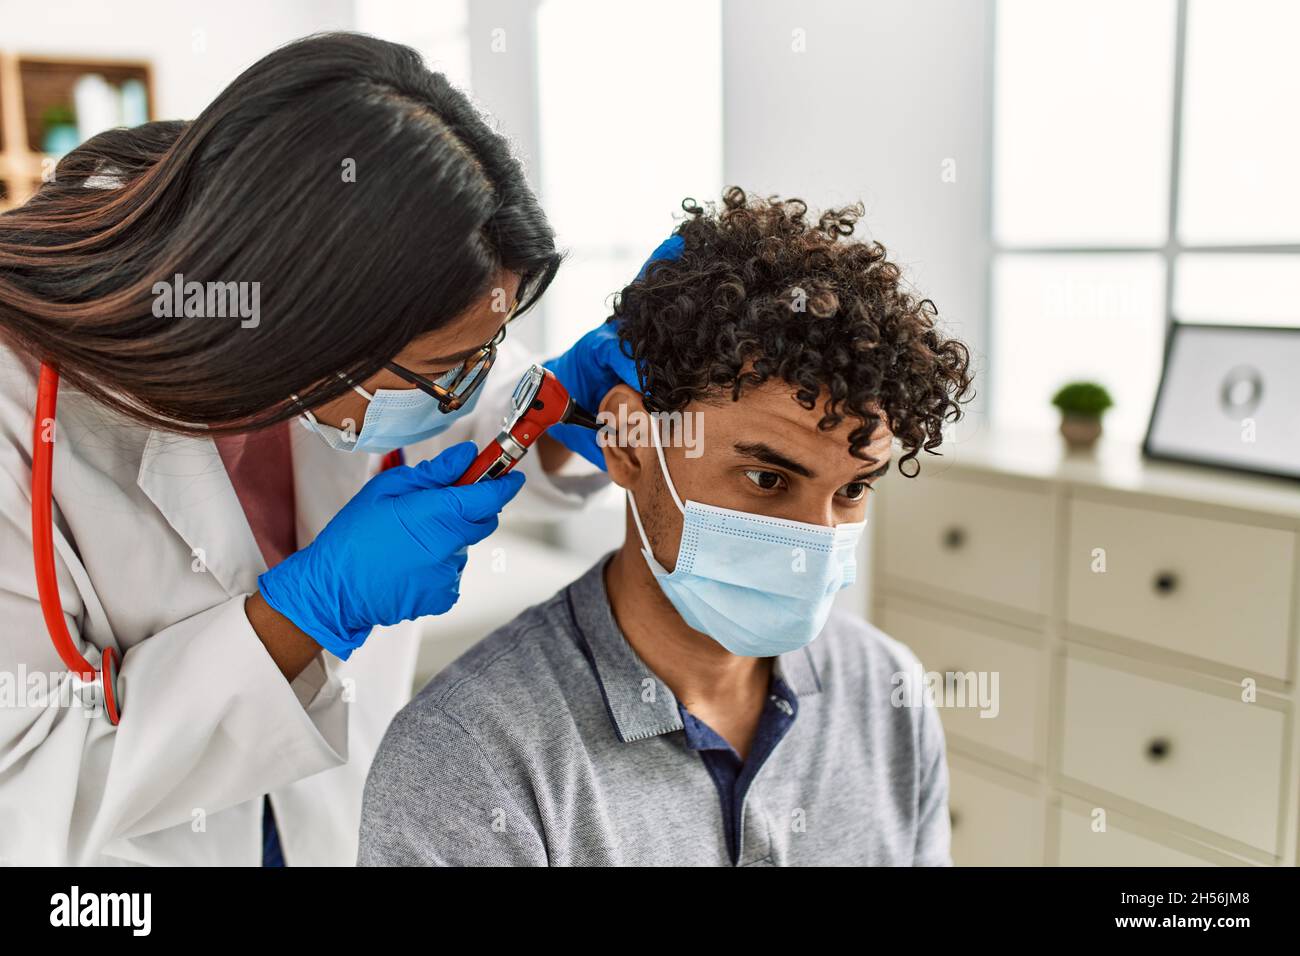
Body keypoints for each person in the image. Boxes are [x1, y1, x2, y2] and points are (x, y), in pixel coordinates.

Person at [0, 33, 640, 865]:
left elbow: (485, 417)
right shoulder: (25, 412)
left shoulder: (357, 296)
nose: (475, 387)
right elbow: (31, 788)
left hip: (330, 823)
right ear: (309, 330)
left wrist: (565, 416)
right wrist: (304, 615)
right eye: (452, 369)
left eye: (492, 348)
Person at [359, 188, 975, 866]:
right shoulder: (470, 761)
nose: (814, 544)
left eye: (853, 489)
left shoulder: (886, 690)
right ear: (626, 442)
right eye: (768, 479)